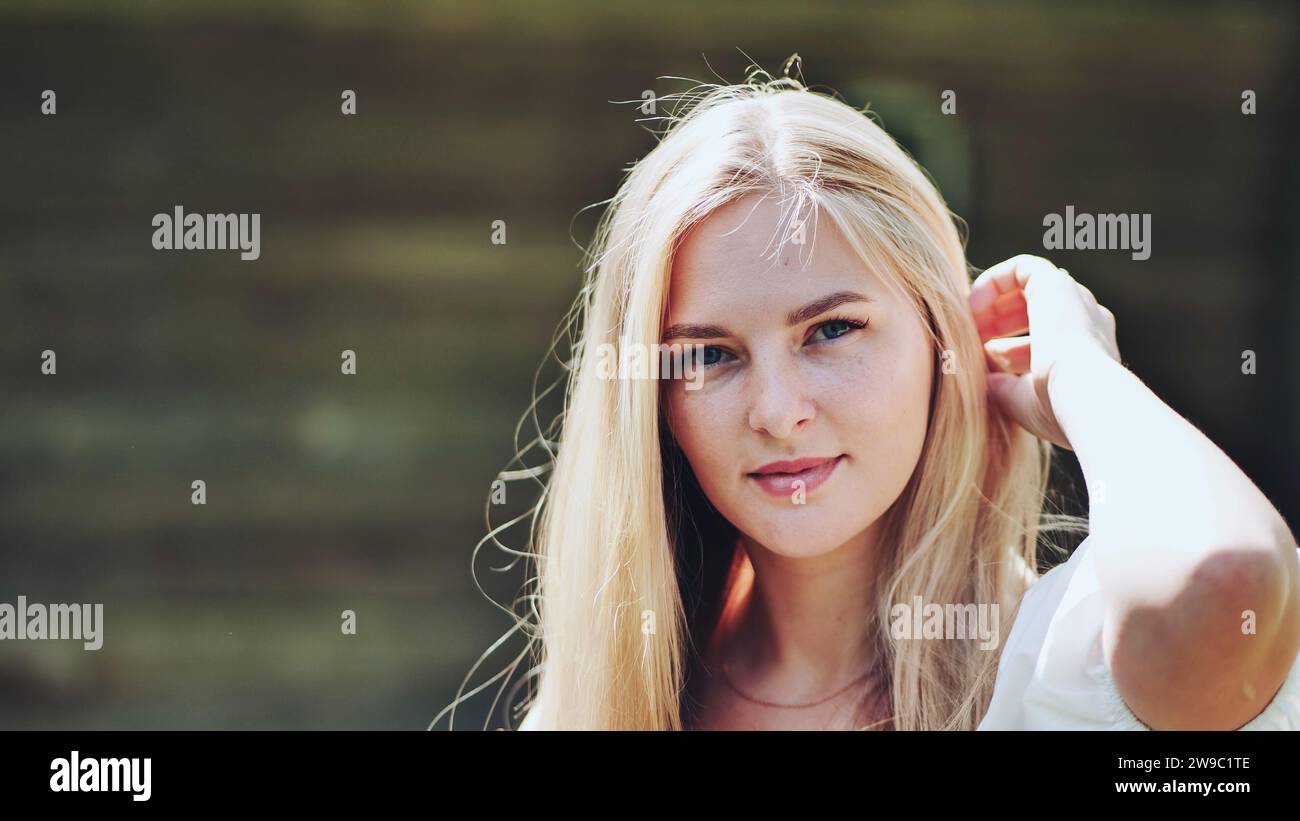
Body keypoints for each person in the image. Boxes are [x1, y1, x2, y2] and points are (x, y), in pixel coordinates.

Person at [449, 66, 1300, 731]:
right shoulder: (609, 695)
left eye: (832, 330)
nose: (778, 412)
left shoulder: (1059, 672)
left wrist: (1086, 374)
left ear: (942, 339)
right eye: (709, 353)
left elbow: (1228, 579)